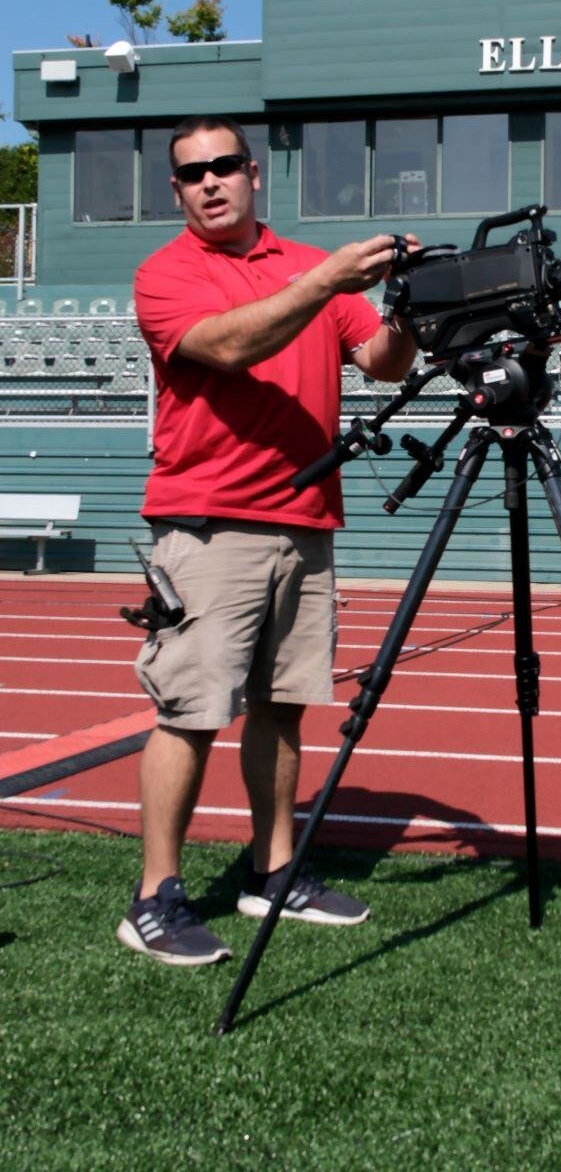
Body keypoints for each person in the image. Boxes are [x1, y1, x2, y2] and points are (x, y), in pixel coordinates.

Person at [116, 115, 418, 966]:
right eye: (190, 173)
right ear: (175, 190)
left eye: (222, 166)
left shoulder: (307, 269)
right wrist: (326, 280)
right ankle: (153, 896)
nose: (208, 182)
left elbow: (383, 362)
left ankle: (272, 868)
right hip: (208, 521)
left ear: (254, 174)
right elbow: (230, 343)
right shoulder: (166, 273)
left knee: (282, 707)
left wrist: (415, 308)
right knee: (190, 711)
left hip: (305, 520)